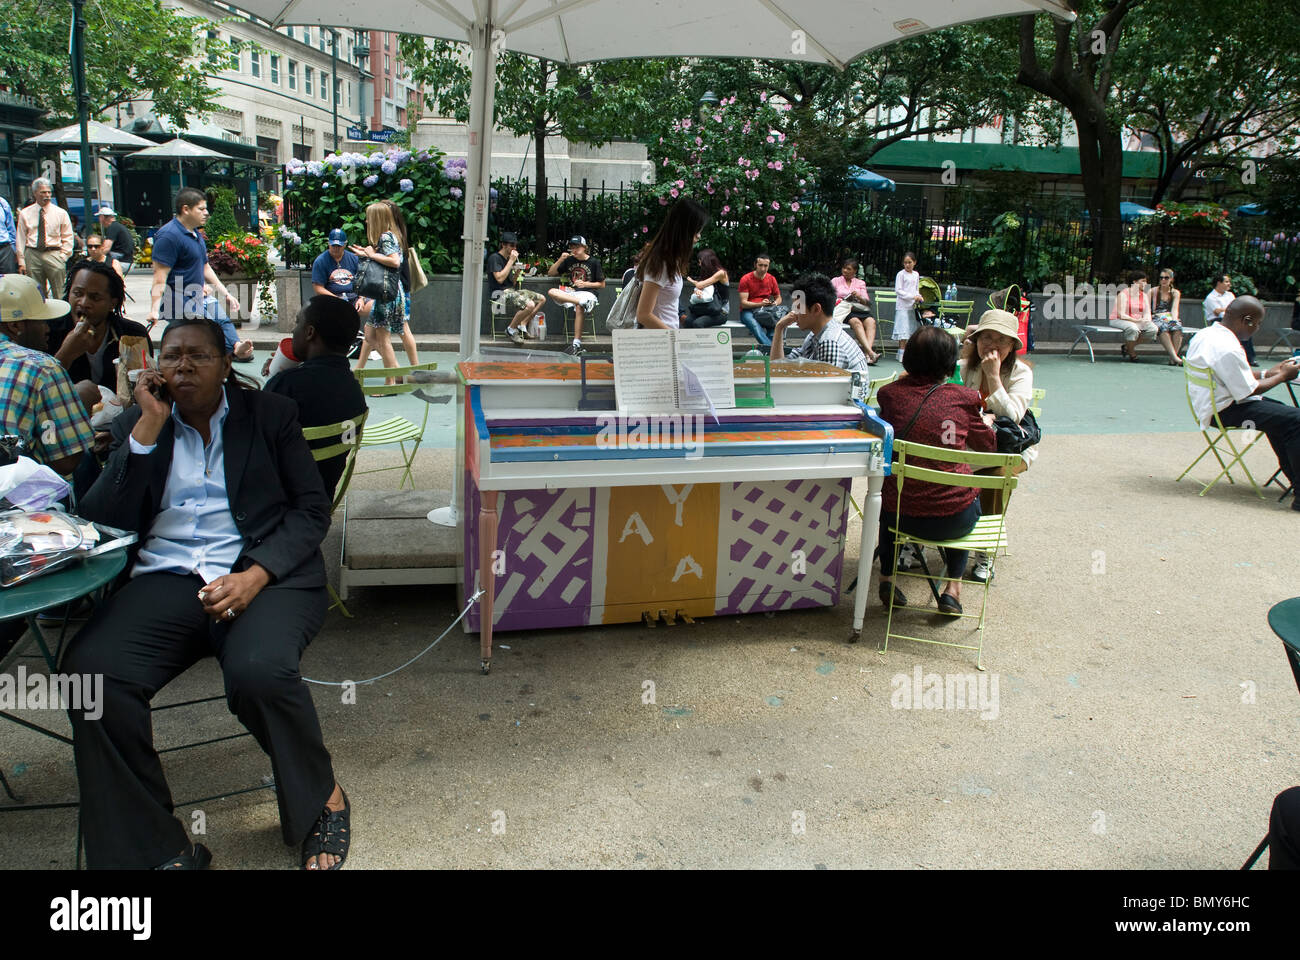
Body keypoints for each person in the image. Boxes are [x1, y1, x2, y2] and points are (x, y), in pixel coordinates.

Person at [63, 315, 351, 871]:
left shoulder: (270, 414)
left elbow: (311, 510)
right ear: (156, 365)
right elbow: (98, 523)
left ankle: (323, 799)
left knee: (259, 670)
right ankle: (159, 849)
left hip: (263, 575)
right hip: (167, 579)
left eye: (198, 355)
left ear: (226, 364)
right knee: (89, 677)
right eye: (172, 356)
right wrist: (145, 432)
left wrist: (258, 573)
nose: (183, 366)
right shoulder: (138, 423)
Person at [875, 326, 997, 616]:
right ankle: (952, 590)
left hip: (898, 517)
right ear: (949, 362)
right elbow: (988, 445)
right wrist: (986, 422)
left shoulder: (889, 395)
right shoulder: (964, 398)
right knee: (965, 490)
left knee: (890, 490)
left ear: (909, 358)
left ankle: (887, 579)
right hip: (953, 521)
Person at [1185, 296, 1300, 512]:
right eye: (1257, 323)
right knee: (1295, 419)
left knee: (1283, 415)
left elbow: (1236, 375)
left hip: (1212, 404)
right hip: (1227, 410)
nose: (1257, 328)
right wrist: (1282, 376)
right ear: (1245, 320)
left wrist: (1269, 372)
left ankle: (1294, 477)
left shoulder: (1207, 334)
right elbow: (1249, 389)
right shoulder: (1228, 347)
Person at [958, 309, 1037, 583]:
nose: (992, 345)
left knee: (994, 477)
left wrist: (993, 377)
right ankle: (920, 538)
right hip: (972, 444)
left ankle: (985, 550)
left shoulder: (1020, 372)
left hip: (1010, 449)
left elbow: (1012, 416)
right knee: (936, 463)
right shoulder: (965, 366)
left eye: (1001, 340)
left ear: (1012, 346)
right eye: (986, 338)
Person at [265, 295, 368, 500]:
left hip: (275, 507)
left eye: (297, 323)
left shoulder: (286, 386)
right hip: (320, 501)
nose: (294, 331)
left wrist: (276, 379)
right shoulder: (355, 392)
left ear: (310, 332)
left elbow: (251, 438)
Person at [0, 274, 94, 477]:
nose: (47, 328)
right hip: (16, 501)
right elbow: (64, 460)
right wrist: (81, 407)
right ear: (15, 326)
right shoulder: (42, 368)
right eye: (41, 320)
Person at [147, 187, 253, 361]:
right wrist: (153, 309)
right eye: (201, 209)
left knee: (222, 321)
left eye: (206, 209)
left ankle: (236, 347)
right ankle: (230, 352)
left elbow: (205, 268)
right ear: (186, 209)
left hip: (198, 295)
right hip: (177, 299)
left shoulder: (195, 235)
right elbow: (159, 276)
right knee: (209, 330)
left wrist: (226, 294)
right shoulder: (168, 236)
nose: (206, 213)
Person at [353, 201, 417, 377]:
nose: (366, 221)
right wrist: (368, 254)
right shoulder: (392, 235)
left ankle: (393, 378)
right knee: (373, 335)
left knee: (382, 338)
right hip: (391, 293)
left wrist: (371, 255)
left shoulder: (386, 237)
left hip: (388, 294)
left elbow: (394, 261)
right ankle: (396, 374)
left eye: (369, 218)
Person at [770, 272, 868, 374]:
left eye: (798, 308)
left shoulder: (829, 342)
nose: (793, 313)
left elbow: (823, 388)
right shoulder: (816, 334)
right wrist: (779, 327)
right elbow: (779, 367)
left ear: (816, 309)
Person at [634, 197, 709, 330]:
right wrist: (673, 337)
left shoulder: (670, 260)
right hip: (659, 343)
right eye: (697, 231)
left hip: (666, 340)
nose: (698, 237)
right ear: (684, 230)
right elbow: (643, 314)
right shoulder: (661, 262)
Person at [15, 178, 74, 300]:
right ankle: (42, 319)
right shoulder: (25, 213)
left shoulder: (60, 213)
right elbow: (20, 238)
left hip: (54, 253)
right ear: (35, 193)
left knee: (60, 292)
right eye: (43, 192)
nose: (47, 195)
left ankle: (61, 318)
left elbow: (68, 236)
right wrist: (21, 261)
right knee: (36, 294)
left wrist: (63, 256)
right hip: (33, 254)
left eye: (49, 192)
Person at [547, 235, 605, 357]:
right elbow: (551, 273)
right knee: (551, 291)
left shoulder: (594, 262)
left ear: (584, 247)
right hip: (572, 293)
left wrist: (585, 284)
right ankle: (581, 302)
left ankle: (576, 343)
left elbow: (602, 284)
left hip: (589, 293)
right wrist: (560, 259)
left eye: (577, 247)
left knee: (579, 306)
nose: (574, 250)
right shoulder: (569, 260)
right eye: (572, 247)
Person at [487, 231, 545, 344]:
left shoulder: (508, 259)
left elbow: (511, 283)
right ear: (503, 245)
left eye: (515, 245)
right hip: (499, 293)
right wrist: (511, 261)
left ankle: (522, 326)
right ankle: (511, 330)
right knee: (530, 305)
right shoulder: (495, 258)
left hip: (510, 291)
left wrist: (517, 272)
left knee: (541, 299)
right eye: (511, 245)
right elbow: (499, 279)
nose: (514, 248)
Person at [832, 258, 879, 363]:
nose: (845, 271)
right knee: (856, 322)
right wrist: (842, 299)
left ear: (854, 271)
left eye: (848, 269)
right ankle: (871, 353)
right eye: (844, 268)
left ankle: (867, 354)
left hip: (859, 309)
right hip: (844, 311)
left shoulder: (860, 283)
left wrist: (859, 297)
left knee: (871, 322)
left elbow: (867, 302)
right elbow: (829, 297)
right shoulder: (835, 281)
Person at [1203, 274, 1256, 365]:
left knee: (1246, 328)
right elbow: (1217, 312)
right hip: (1218, 321)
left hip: (1232, 319)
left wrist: (1227, 309)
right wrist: (1229, 309)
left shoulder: (1230, 295)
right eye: (1226, 282)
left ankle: (1249, 358)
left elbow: (1236, 308)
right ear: (1219, 283)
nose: (1229, 284)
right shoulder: (1211, 297)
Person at [1108, 270, 1156, 362]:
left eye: (1146, 281)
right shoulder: (1123, 294)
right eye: (1143, 281)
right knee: (1133, 328)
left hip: (1137, 320)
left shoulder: (1144, 296)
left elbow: (1147, 312)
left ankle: (1127, 346)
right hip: (1119, 319)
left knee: (1153, 330)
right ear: (1134, 282)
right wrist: (1136, 320)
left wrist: (1146, 319)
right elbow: (1121, 314)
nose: (1145, 283)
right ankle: (1132, 353)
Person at [737, 253, 782, 348]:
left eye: (766, 266)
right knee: (755, 326)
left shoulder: (771, 279)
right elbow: (744, 304)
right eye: (760, 265)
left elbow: (778, 298)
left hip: (766, 310)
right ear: (755, 265)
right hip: (748, 311)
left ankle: (767, 351)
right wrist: (760, 304)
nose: (763, 268)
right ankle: (772, 352)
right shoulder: (746, 279)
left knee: (774, 327)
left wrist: (775, 303)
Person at [682, 248, 730, 329]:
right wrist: (697, 292)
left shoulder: (721, 273)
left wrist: (694, 283)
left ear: (706, 261)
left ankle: (702, 342)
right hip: (705, 309)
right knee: (688, 321)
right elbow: (700, 289)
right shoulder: (706, 273)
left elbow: (700, 285)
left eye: (700, 261)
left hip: (720, 312)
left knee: (698, 323)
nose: (699, 264)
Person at [311, 228, 360, 303]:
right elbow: (318, 288)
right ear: (328, 243)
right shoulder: (320, 261)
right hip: (331, 299)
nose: (336, 248)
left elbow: (363, 282)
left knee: (372, 305)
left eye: (339, 246)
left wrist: (361, 299)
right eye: (333, 245)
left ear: (345, 244)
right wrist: (336, 299)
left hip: (354, 297)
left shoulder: (354, 258)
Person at [893, 251, 923, 362]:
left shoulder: (916, 274)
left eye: (909, 262)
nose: (907, 265)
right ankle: (901, 353)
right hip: (902, 306)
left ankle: (907, 353)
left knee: (910, 329)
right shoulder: (900, 274)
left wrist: (918, 296)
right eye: (905, 262)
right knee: (903, 329)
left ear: (914, 262)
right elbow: (899, 291)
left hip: (911, 306)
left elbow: (916, 289)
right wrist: (911, 296)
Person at [1149, 267, 1184, 365]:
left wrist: (1174, 320)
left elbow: (1174, 309)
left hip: (1168, 316)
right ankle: (1175, 358)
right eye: (1161, 278)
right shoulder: (1153, 291)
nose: (1163, 280)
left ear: (1171, 279)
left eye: (1166, 278)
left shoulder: (1175, 293)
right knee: (1163, 328)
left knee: (1177, 327)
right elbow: (1147, 308)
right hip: (1155, 316)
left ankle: (1173, 358)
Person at [0, 194, 18, 275]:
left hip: (5, 249)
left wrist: (14, 250)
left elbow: (11, 228)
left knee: (8, 280)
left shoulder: (2, 203)